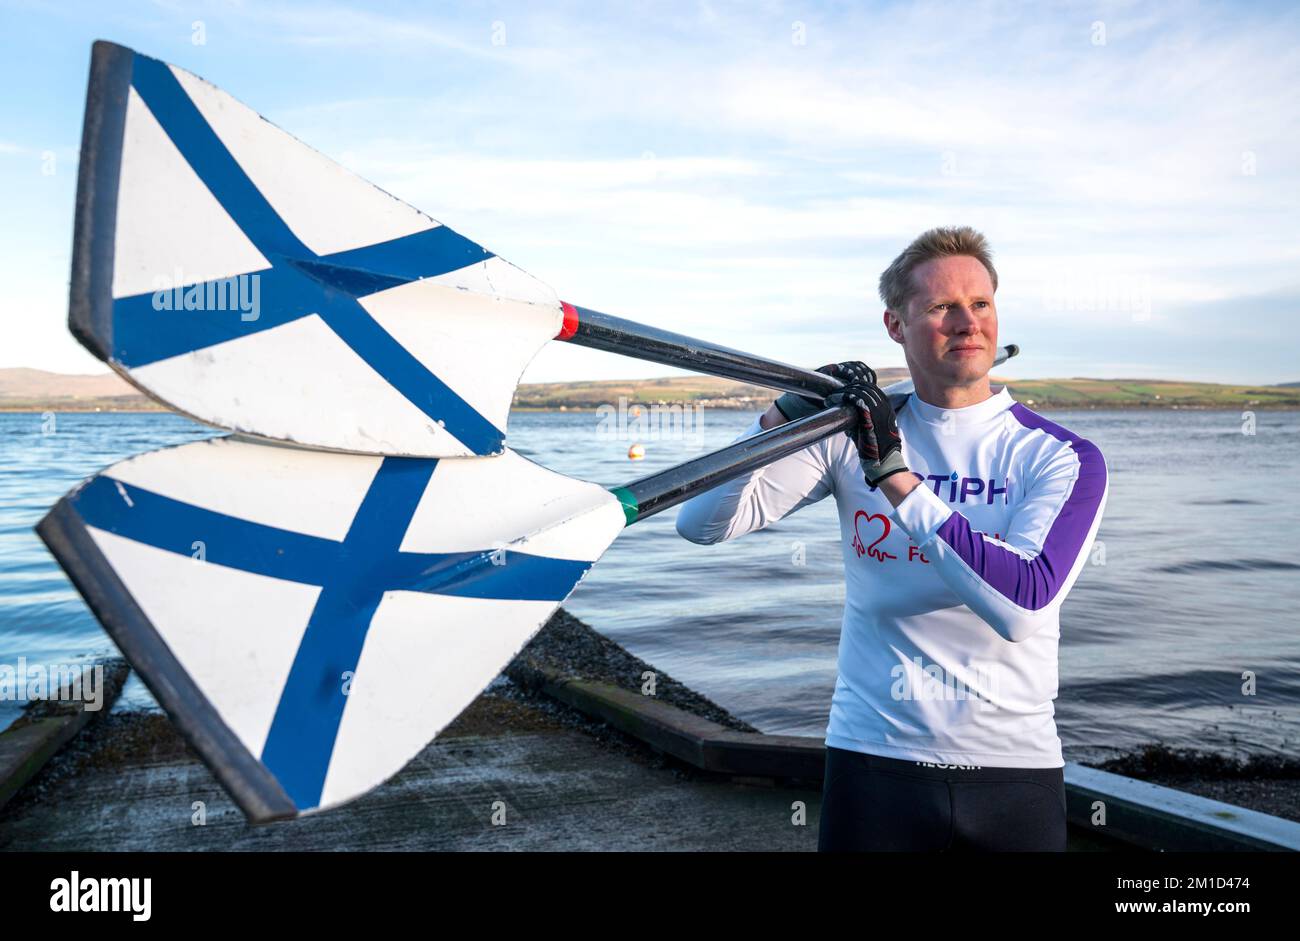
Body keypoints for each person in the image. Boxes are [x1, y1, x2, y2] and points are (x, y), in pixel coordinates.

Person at [675, 226, 1109, 852]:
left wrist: (894, 476)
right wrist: (775, 420)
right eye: (940, 307)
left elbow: (1022, 606)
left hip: (1013, 769)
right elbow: (701, 525)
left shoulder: (1059, 456)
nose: (966, 323)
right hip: (873, 758)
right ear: (895, 326)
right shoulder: (849, 434)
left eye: (980, 304)